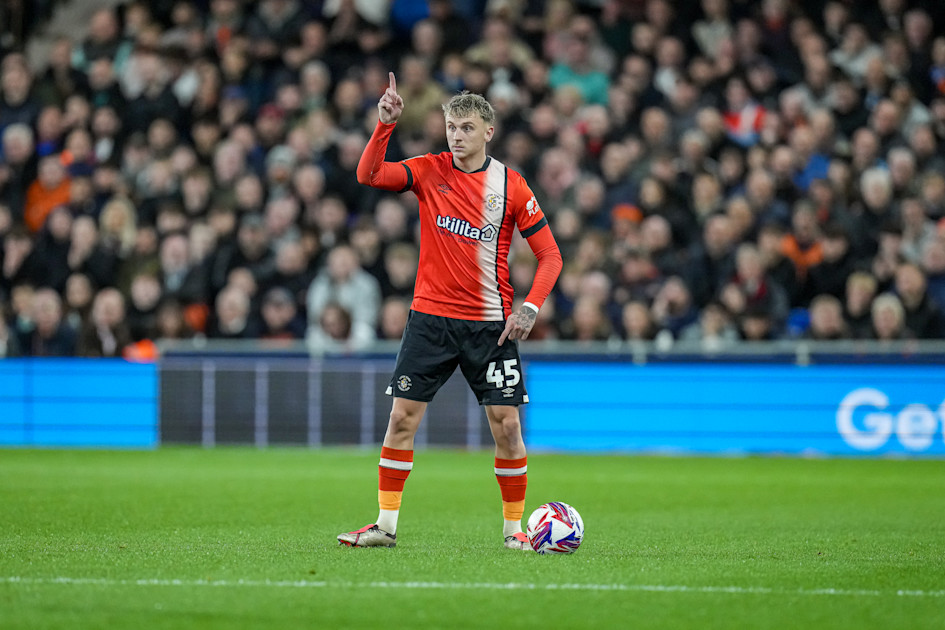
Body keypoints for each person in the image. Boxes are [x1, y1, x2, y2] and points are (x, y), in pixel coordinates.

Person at [337, 74, 562, 550]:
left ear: (488, 132)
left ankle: (514, 531)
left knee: (507, 427)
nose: (456, 136)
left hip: (490, 327)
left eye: (465, 127)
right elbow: (369, 176)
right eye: (450, 127)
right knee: (401, 419)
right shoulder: (429, 170)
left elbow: (551, 256)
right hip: (430, 321)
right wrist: (384, 127)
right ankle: (385, 526)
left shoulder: (512, 187)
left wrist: (530, 306)